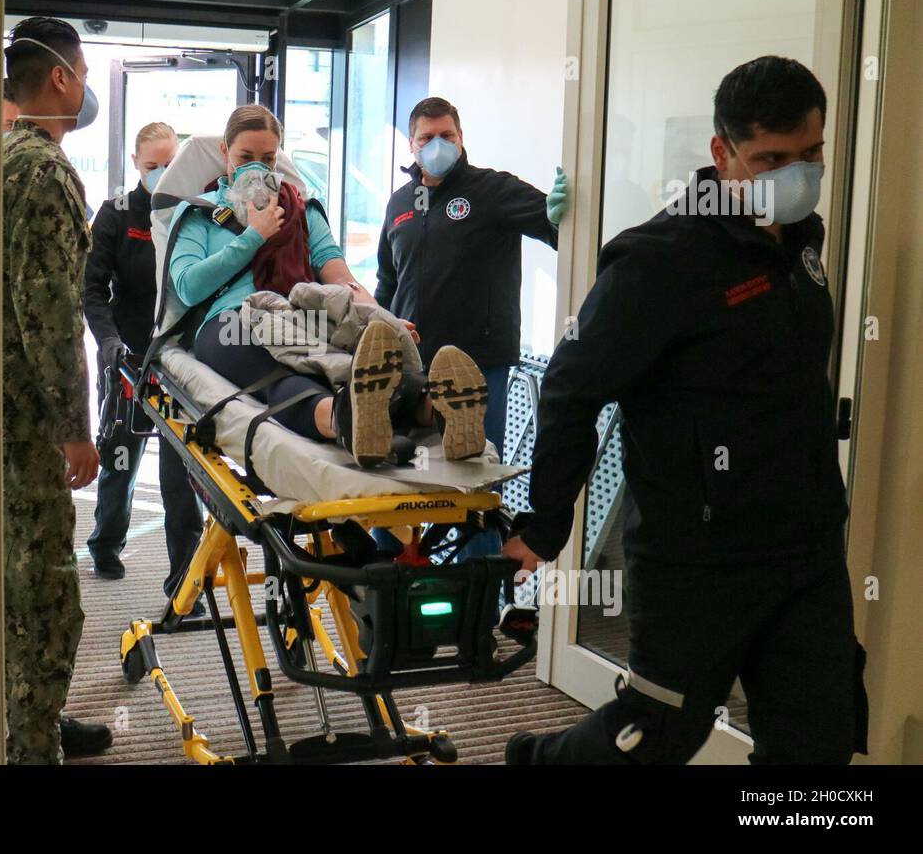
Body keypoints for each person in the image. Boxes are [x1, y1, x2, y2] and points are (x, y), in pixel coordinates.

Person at [503, 56, 867, 765]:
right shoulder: (660, 262)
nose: (795, 175)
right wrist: (544, 524)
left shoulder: (802, 246)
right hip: (697, 557)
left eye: (811, 156)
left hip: (808, 544)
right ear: (722, 152)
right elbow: (573, 388)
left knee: (817, 743)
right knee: (659, 732)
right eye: (770, 159)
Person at [169, 104, 490, 467]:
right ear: (224, 152)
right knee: (280, 373)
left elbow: (342, 279)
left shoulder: (302, 211)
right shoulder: (200, 212)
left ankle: (432, 407)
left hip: (300, 313)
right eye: (245, 156)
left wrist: (382, 316)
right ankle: (346, 419)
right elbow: (188, 287)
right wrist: (254, 237)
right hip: (231, 322)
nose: (257, 168)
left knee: (351, 359)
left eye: (268, 158)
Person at [374, 97, 570, 557]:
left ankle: (475, 607)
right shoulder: (400, 203)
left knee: (473, 480)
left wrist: (566, 214)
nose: (437, 145)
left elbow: (552, 225)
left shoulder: (491, 190)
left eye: (447, 136)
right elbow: (387, 282)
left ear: (461, 140)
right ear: (411, 144)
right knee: (392, 472)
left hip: (479, 366)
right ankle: (390, 578)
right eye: (427, 138)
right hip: (410, 365)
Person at [1, 15, 111, 763]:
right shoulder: (45, 172)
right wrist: (76, 427)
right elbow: (49, 314)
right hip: (27, 422)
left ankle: (36, 721)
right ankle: (33, 747)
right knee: (47, 600)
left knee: (14, 581)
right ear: (63, 79)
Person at [83, 122, 206, 608]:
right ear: (136, 164)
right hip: (127, 357)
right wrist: (109, 343)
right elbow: (92, 291)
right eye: (152, 166)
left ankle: (184, 581)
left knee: (183, 475)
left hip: (181, 360)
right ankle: (105, 545)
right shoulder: (116, 216)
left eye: (168, 165)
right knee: (119, 459)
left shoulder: (193, 213)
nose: (161, 174)